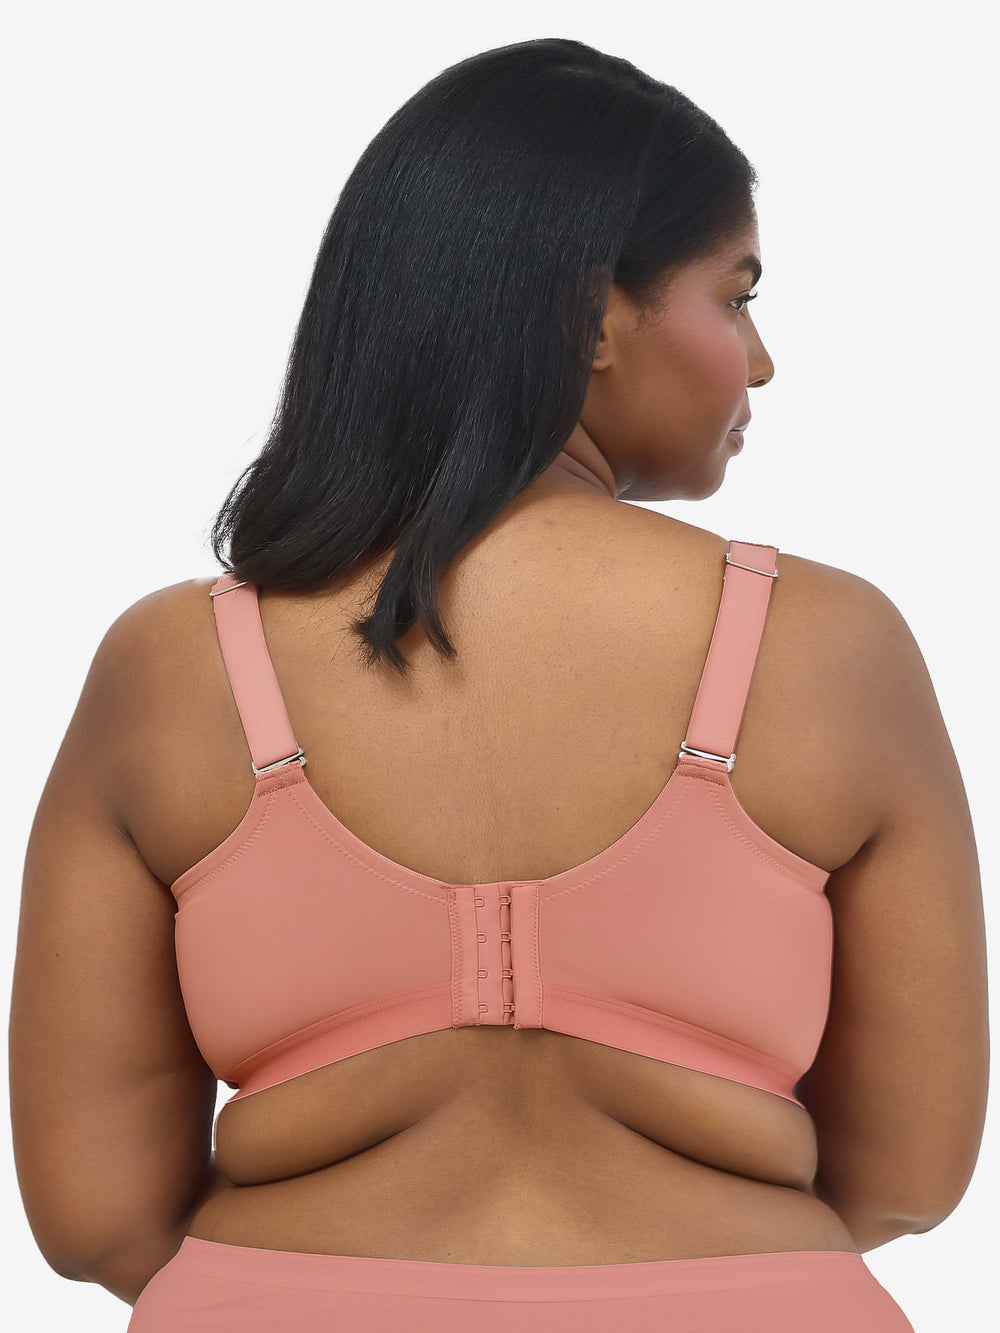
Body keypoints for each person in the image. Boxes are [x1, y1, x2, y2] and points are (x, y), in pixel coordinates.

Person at [9, 36, 987, 1333]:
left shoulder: (178, 664)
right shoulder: (829, 646)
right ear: (593, 316)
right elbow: (906, 1176)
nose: (759, 362)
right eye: (737, 296)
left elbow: (95, 1215)